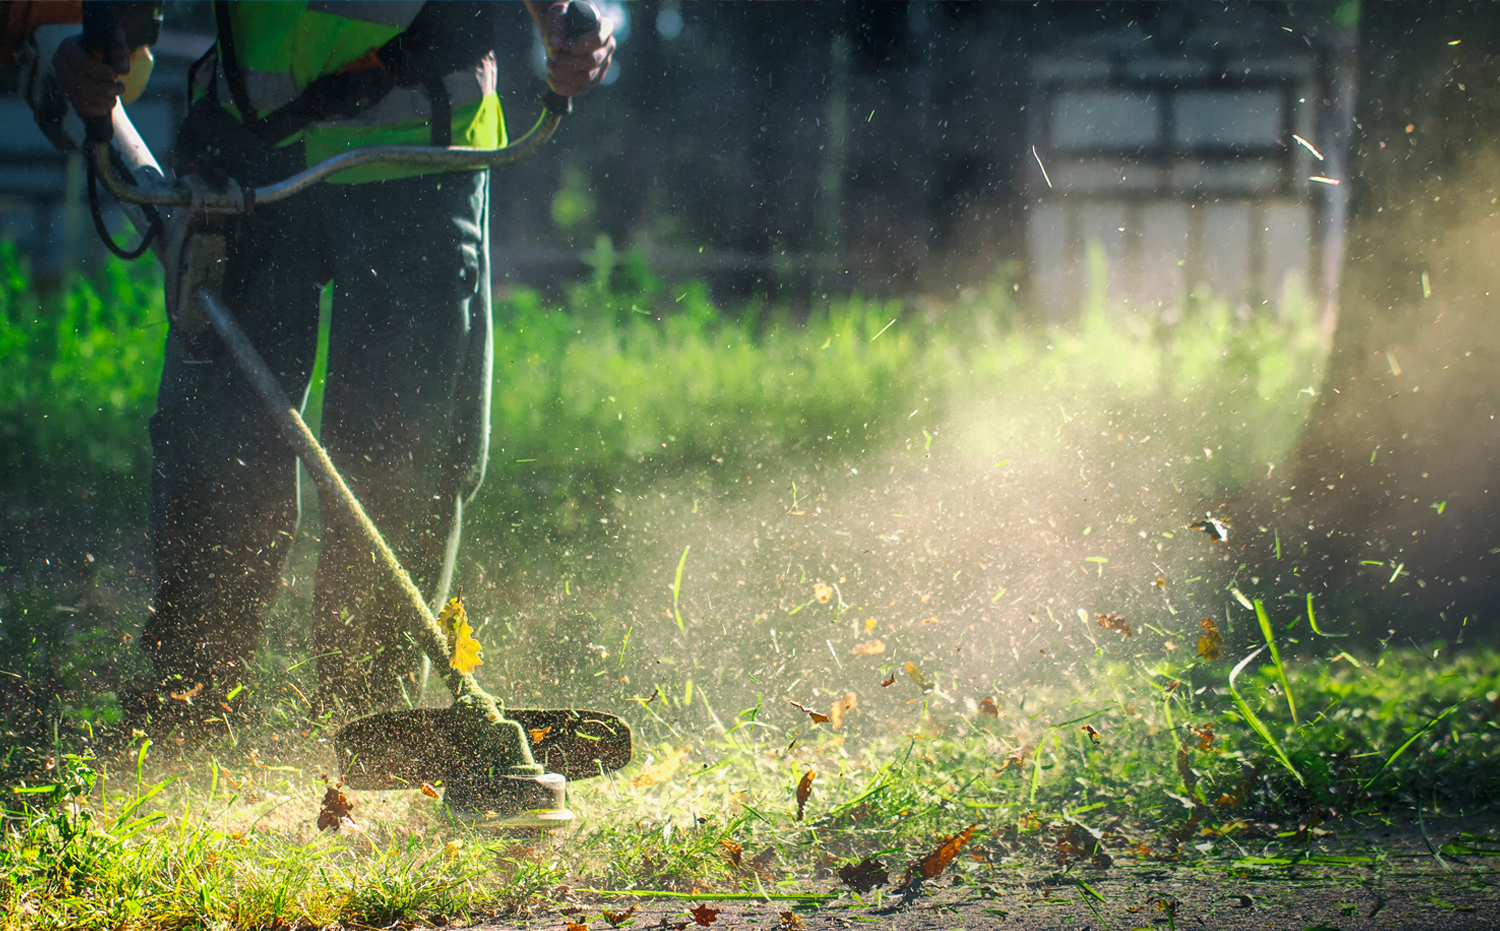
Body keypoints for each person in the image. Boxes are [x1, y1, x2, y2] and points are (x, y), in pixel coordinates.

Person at [50, 1, 614, 730]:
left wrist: (569, 20)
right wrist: (103, 44)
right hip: (250, 151)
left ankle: (374, 724)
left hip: (422, 150)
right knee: (219, 453)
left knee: (403, 456)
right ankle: (185, 705)